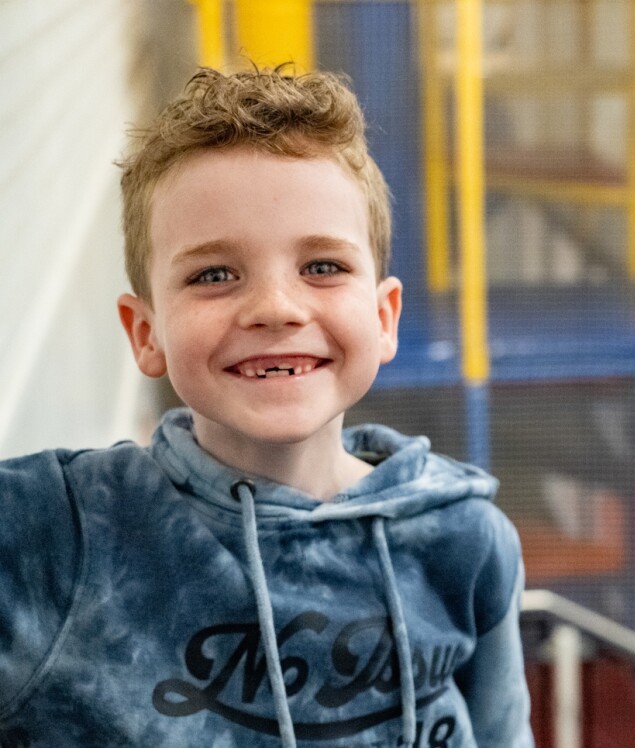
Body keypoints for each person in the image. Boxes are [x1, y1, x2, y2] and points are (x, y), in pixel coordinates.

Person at [0, 67, 533, 748]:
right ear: (146, 333)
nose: (276, 308)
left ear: (384, 317)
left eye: (323, 267)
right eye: (214, 275)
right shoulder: (58, 535)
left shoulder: (464, 541)